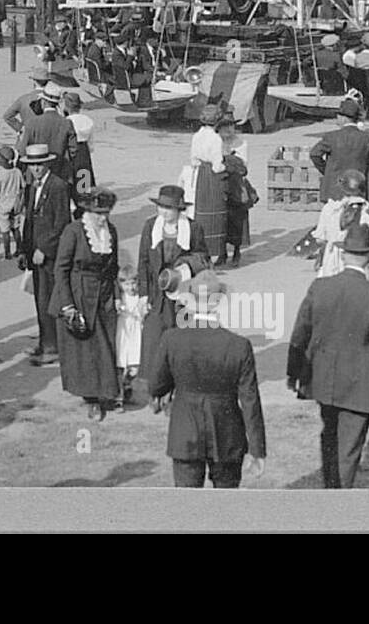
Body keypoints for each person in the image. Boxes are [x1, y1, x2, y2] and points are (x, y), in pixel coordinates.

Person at [287, 224, 369, 489]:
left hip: (324, 379)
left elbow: (299, 334)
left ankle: (331, 490)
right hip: (360, 384)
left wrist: (294, 374)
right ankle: (339, 501)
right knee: (349, 447)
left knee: (329, 436)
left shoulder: (320, 287)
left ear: (342, 254)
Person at [148, 270, 266, 488]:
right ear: (219, 302)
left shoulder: (172, 339)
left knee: (187, 510)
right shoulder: (239, 346)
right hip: (227, 434)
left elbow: (155, 385)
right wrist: (257, 450)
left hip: (185, 432)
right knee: (225, 508)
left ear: (190, 302)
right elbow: (250, 401)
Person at [49, 186, 121, 419]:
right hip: (78, 292)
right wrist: (68, 305)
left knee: (106, 344)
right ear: (88, 211)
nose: (103, 218)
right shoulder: (74, 231)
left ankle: (108, 392)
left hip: (104, 293)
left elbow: (114, 267)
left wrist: (117, 296)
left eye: (106, 213)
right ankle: (91, 398)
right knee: (86, 349)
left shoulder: (112, 232)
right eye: (99, 213)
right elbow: (60, 269)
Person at [136, 184, 210, 408]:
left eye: (169, 209)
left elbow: (204, 260)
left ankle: (173, 393)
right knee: (153, 344)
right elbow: (143, 263)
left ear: (179, 210)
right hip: (156, 296)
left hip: (182, 297)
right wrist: (143, 295)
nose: (164, 213)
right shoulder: (151, 226)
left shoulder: (193, 229)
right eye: (161, 207)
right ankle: (156, 392)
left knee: (179, 345)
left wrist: (183, 267)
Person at [19, 142, 71, 367]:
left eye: (40, 164)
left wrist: (45, 249)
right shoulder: (32, 187)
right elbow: (29, 221)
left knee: (49, 299)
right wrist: (24, 249)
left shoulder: (58, 186)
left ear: (47, 163)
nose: (36, 169)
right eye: (32, 165)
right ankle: (44, 341)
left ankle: (52, 347)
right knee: (40, 299)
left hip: (49, 255)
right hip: (34, 253)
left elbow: (62, 223)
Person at [308, 97, 369, 209]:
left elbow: (314, 154)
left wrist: (327, 171)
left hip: (334, 191)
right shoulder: (368, 138)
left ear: (342, 118)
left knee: (335, 221)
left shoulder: (331, 137)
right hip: (360, 190)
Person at [185, 103, 229, 265]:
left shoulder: (197, 135)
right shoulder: (216, 139)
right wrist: (225, 166)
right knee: (215, 213)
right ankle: (215, 252)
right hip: (212, 176)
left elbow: (193, 160)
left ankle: (200, 249)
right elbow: (217, 166)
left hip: (200, 175)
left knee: (200, 211)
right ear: (217, 121)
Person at [310, 169, 369, 279]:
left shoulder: (329, 209)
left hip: (330, 258)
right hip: (353, 260)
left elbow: (319, 239)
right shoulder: (364, 214)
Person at [16, 81, 78, 185]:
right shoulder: (67, 122)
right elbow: (74, 150)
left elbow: (23, 150)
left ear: (43, 102)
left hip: (37, 172)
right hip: (60, 171)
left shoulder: (32, 122)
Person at [114, 259, 147, 410]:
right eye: (126, 284)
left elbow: (143, 312)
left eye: (133, 283)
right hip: (123, 331)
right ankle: (119, 396)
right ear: (121, 285)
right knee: (121, 363)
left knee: (134, 366)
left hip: (135, 333)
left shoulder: (139, 298)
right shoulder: (121, 298)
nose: (131, 287)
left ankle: (128, 384)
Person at [219, 126, 253, 268]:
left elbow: (243, 169)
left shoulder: (240, 143)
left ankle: (237, 253)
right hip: (222, 187)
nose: (227, 130)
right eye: (224, 127)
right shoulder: (215, 141)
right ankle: (222, 253)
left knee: (238, 222)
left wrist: (230, 158)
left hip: (236, 188)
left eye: (230, 126)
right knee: (222, 221)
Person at [0, 145, 24, 260]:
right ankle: (19, 249)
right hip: (16, 204)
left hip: (3, 205)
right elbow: (23, 186)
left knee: (5, 230)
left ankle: (7, 252)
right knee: (16, 228)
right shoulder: (17, 172)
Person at [62, 91, 96, 196]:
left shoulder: (66, 121)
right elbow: (91, 143)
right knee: (84, 176)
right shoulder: (87, 120)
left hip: (70, 149)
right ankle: (83, 197)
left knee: (69, 178)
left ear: (67, 107)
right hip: (84, 150)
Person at [3, 66, 49, 136]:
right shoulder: (54, 100)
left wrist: (20, 128)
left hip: (27, 135)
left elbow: (7, 116)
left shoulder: (24, 99)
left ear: (34, 81)